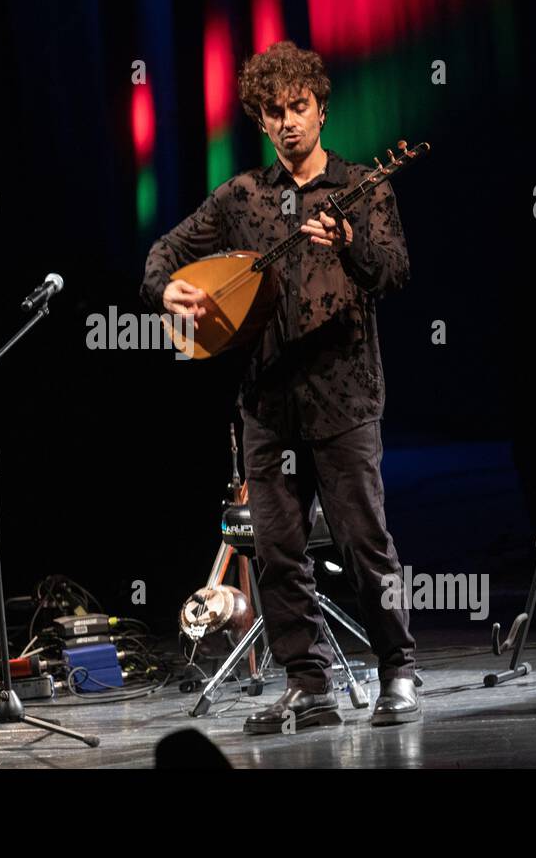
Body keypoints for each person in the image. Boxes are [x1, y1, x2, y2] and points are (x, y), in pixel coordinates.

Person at [141, 42, 420, 732]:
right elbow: (165, 253)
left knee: (363, 543)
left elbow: (394, 271)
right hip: (268, 406)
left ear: (321, 110)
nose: (289, 121)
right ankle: (308, 684)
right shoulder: (242, 198)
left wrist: (349, 241)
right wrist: (166, 289)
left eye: (300, 107)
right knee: (276, 550)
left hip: (345, 397)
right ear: (261, 122)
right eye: (275, 112)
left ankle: (398, 669)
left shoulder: (363, 186)